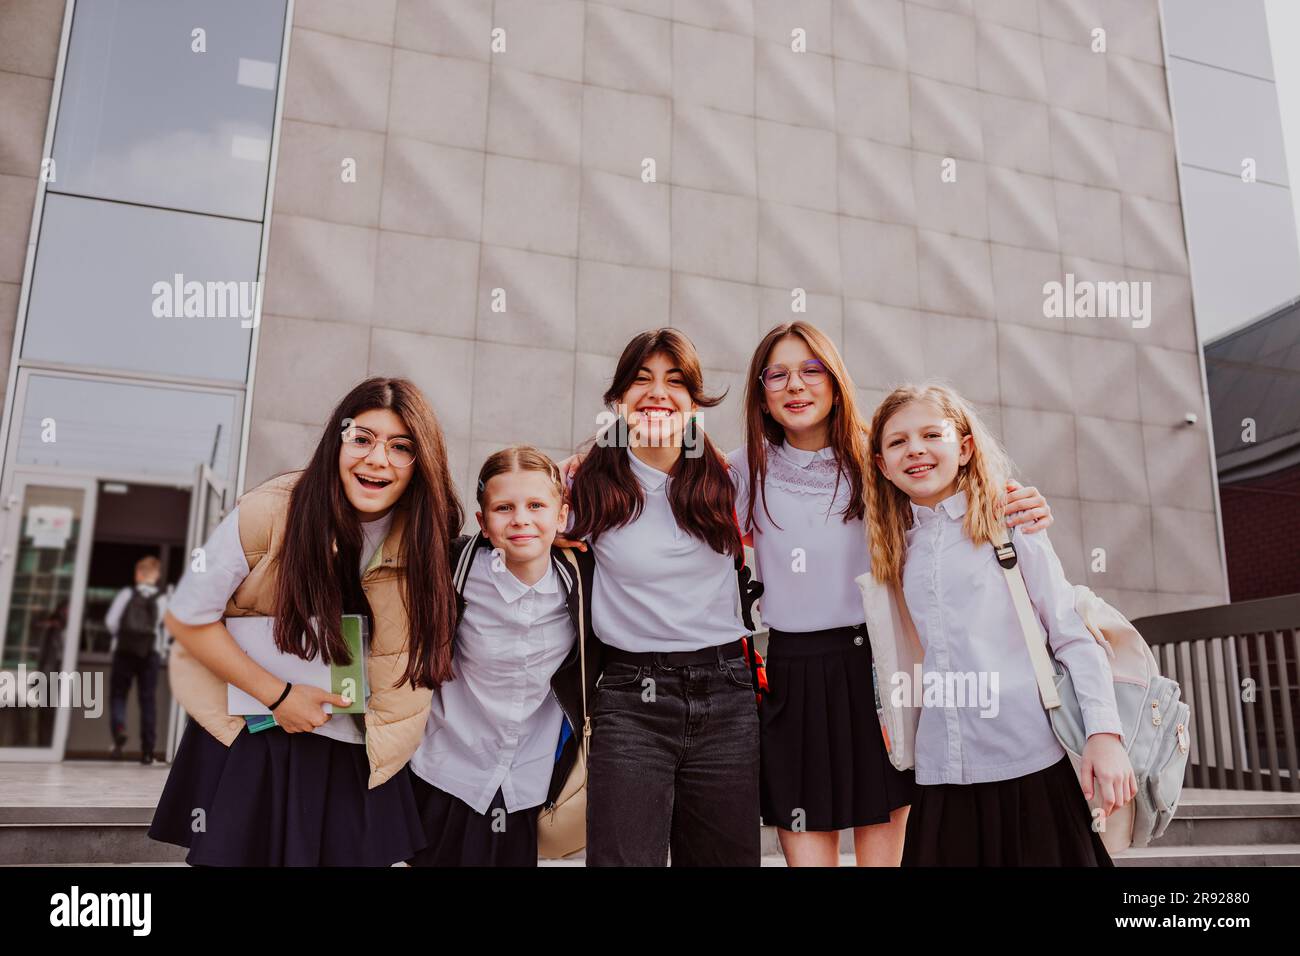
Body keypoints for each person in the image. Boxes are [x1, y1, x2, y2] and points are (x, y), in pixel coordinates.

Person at [148, 377, 462, 866]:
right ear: (337, 442)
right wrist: (280, 697)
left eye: (401, 447)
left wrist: (570, 513)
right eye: (362, 439)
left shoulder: (431, 537)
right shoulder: (270, 510)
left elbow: (522, 528)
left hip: (362, 753)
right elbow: (188, 616)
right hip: (261, 738)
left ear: (421, 461)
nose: (377, 459)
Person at [866, 382, 1135, 866]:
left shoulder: (1008, 522)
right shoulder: (894, 547)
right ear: (883, 465)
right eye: (898, 441)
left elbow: (1070, 633)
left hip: (1028, 761)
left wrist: (1104, 735)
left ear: (965, 448)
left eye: (932, 434)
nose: (916, 449)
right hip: (940, 771)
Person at [407, 445, 598, 866]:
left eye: (536, 506)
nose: (521, 519)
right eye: (504, 508)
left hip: (526, 783)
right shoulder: (453, 568)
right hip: (447, 772)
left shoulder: (583, 576)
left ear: (562, 516)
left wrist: (589, 451)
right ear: (483, 522)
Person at [105, 556, 168, 763]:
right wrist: (161, 649)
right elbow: (167, 630)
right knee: (147, 700)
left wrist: (124, 637)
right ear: (156, 576)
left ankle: (119, 731)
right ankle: (148, 751)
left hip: (124, 650)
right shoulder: (162, 599)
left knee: (118, 695)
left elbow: (111, 622)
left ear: (138, 574)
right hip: (150, 652)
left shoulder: (127, 594)